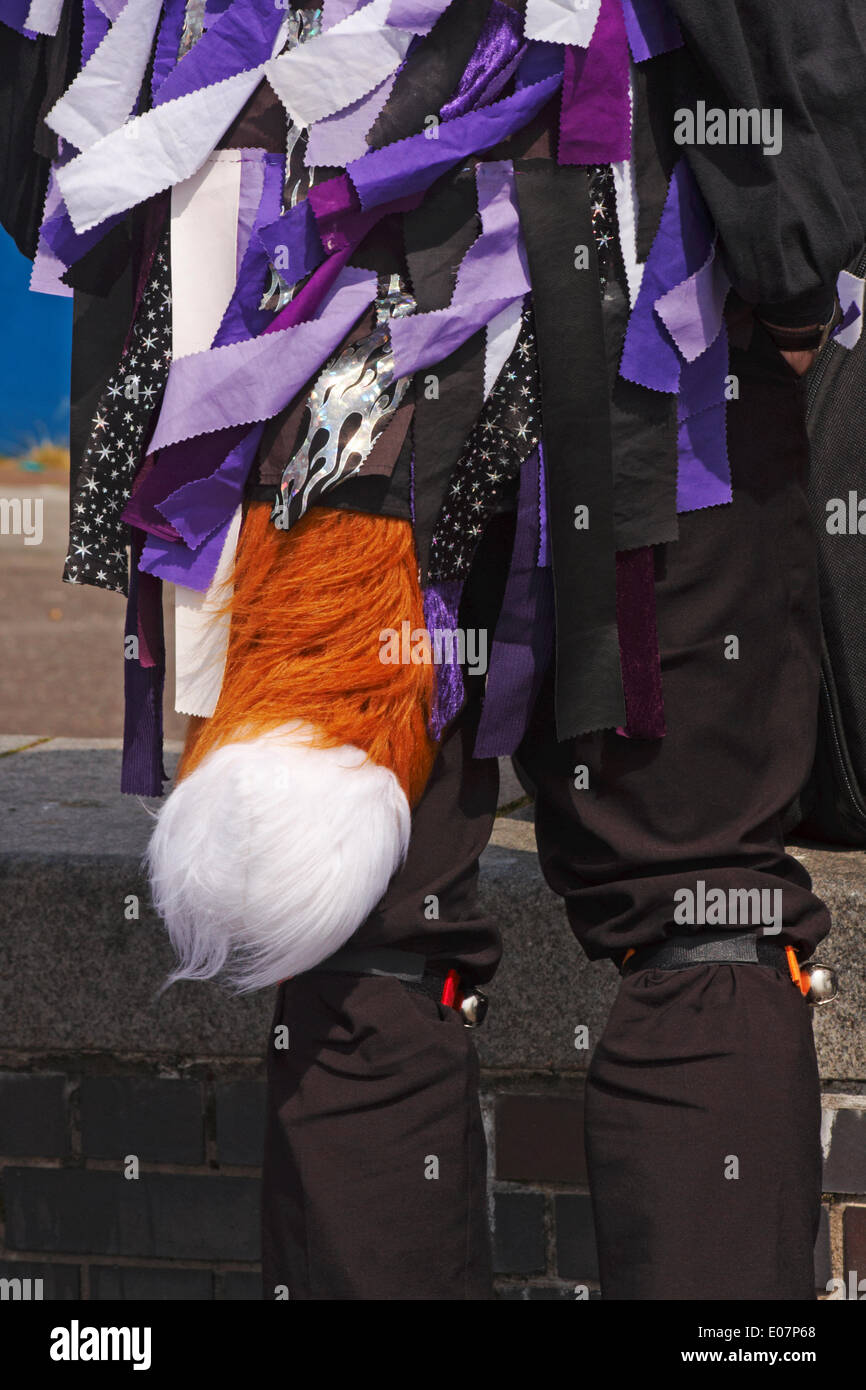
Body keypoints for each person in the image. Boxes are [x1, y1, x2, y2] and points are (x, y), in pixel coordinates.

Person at [2, 0, 865, 1300]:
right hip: (647, 305)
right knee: (699, 899)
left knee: (360, 910)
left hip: (318, 338)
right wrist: (794, 264)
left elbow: (56, 77)